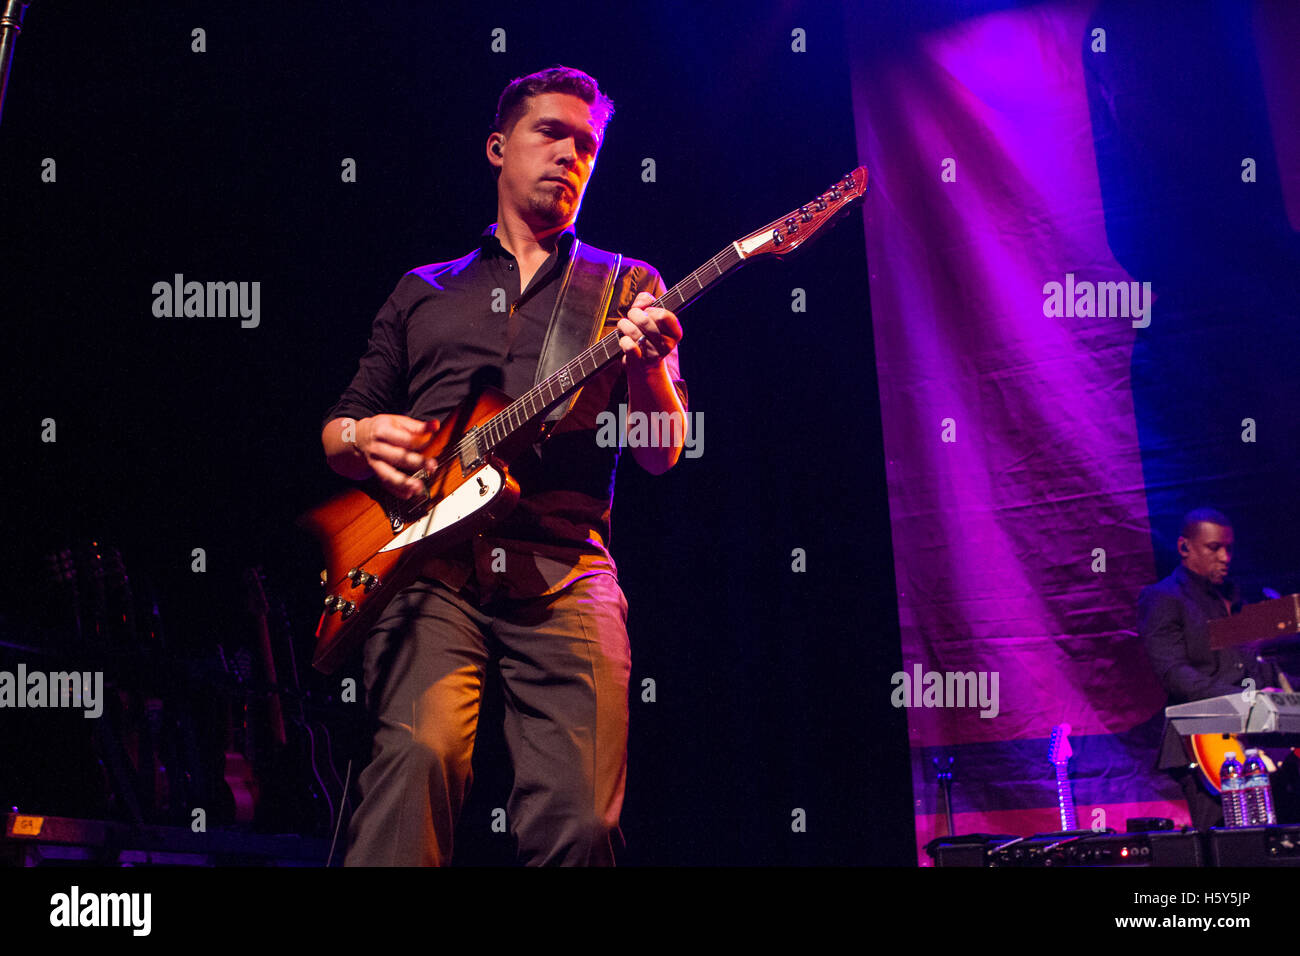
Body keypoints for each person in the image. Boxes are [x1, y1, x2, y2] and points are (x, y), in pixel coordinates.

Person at [318, 66, 687, 865]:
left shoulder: (627, 286)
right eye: (550, 133)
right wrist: (362, 437)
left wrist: (651, 368)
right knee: (417, 761)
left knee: (584, 819)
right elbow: (338, 427)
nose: (570, 156)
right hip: (431, 569)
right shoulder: (424, 290)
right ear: (497, 146)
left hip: (564, 565)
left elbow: (661, 453)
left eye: (586, 146)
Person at [1139, 507, 1289, 828]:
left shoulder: (1234, 600)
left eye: (1229, 548)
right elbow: (1175, 675)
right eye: (1214, 548)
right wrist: (1244, 701)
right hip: (1202, 739)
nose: (1225, 557)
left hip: (1255, 734)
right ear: (1184, 548)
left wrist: (1274, 691)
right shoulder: (1162, 598)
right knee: (1226, 844)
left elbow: (1250, 665)